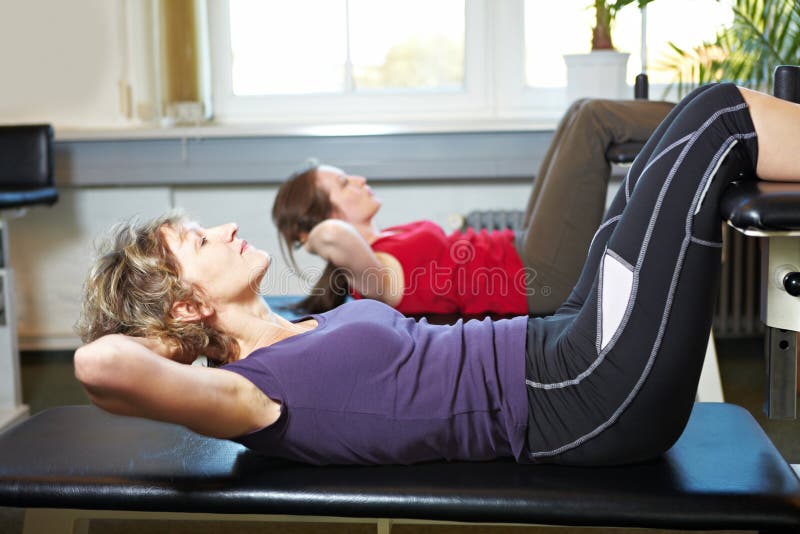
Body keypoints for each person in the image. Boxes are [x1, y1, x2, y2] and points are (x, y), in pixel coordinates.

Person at [76, 83, 792, 466]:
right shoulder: (247, 392)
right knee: (712, 117)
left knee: (661, 144)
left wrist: (183, 318)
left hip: (565, 338)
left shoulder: (299, 326)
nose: (227, 229)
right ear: (186, 305)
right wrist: (167, 338)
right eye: (199, 241)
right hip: (583, 393)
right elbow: (102, 364)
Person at [272, 99, 675, 316]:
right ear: (326, 216)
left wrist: (314, 229)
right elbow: (335, 239)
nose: (358, 180)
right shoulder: (374, 279)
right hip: (539, 278)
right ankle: (722, 112)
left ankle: (702, 123)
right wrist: (309, 235)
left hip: (519, 248)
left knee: (577, 111)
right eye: (343, 183)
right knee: (593, 120)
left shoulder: (385, 242)